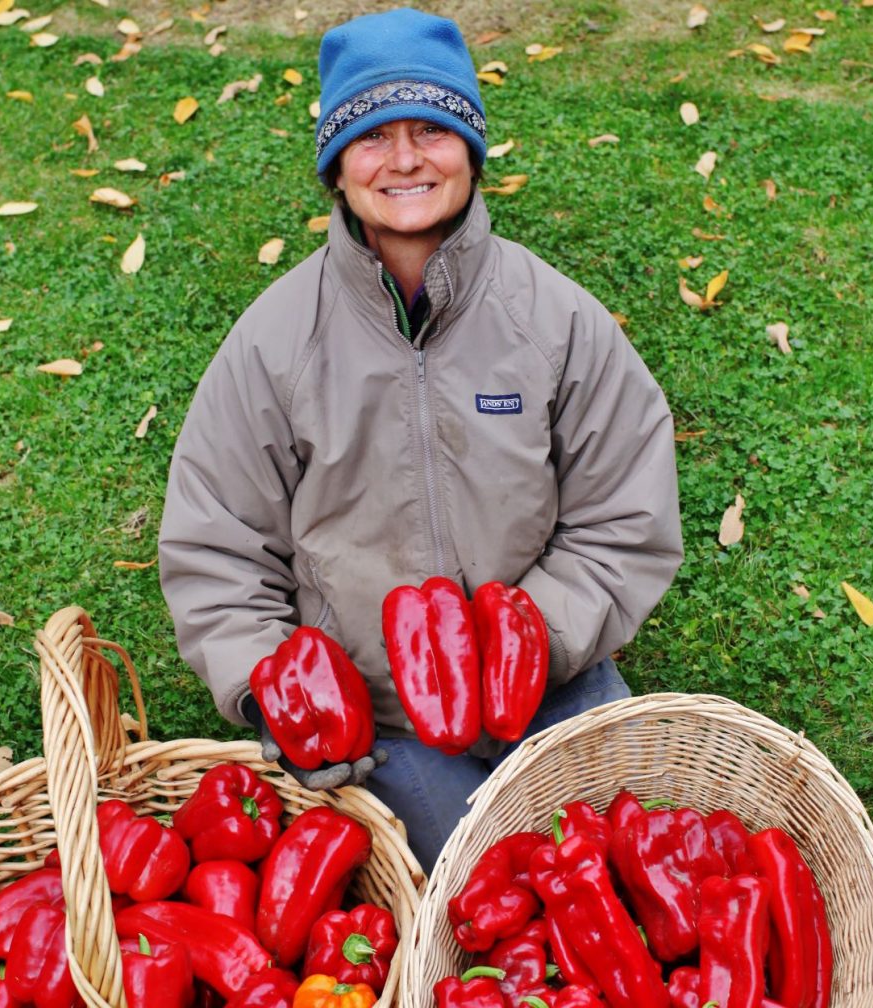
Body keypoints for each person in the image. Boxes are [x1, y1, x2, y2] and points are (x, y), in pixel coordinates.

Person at [159, 7, 683, 874]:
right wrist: (275, 692)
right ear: (337, 166)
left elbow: (624, 510)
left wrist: (536, 640)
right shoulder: (274, 344)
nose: (404, 159)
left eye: (433, 129)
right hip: (382, 718)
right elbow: (217, 543)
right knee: (479, 892)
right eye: (371, 137)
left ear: (471, 151)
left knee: (635, 872)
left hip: (550, 677)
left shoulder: (552, 320)